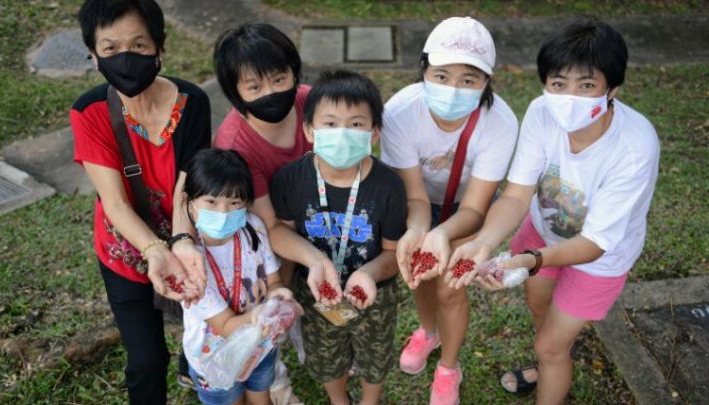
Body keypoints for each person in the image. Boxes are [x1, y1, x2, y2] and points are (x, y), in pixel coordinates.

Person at [448, 18, 660, 404]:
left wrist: (530, 259)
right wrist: (483, 243)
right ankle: (549, 358)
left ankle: (550, 359)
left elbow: (596, 243)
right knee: (538, 306)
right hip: (543, 230)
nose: (569, 97)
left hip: (599, 259)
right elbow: (516, 195)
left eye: (587, 85)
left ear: (612, 88)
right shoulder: (541, 112)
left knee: (550, 347)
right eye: (558, 84)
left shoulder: (634, 147)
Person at [70, 1, 210, 403]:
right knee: (147, 362)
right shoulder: (89, 111)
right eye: (110, 48)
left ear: (160, 48)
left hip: (187, 243)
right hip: (126, 252)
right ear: (94, 56)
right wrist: (154, 250)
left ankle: (192, 368)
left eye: (139, 44)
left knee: (200, 334)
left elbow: (189, 183)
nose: (125, 57)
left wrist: (181, 242)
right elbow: (114, 203)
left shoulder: (192, 102)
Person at [379, 17, 518, 404]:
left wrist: (442, 233)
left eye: (469, 79)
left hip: (466, 206)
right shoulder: (400, 112)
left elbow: (476, 207)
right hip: (420, 200)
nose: (453, 89)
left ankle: (448, 367)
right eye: (441, 75)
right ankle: (429, 332)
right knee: (423, 273)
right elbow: (416, 197)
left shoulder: (501, 122)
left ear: (487, 82)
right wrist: (422, 231)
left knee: (450, 286)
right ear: (423, 70)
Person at [270, 70, 407, 405]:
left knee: (376, 357)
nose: (342, 133)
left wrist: (368, 274)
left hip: (376, 295)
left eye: (356, 124)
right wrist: (289, 281)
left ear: (374, 133)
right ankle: (339, 399)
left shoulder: (389, 186)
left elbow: (391, 253)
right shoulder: (290, 179)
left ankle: (370, 400)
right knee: (325, 356)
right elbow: (280, 233)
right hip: (315, 292)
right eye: (330, 124)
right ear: (309, 130)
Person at [212, 23, 331, 404]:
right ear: (235, 93)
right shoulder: (235, 144)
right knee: (271, 304)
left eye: (280, 78)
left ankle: (318, 345)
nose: (271, 93)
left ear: (294, 73)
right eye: (254, 87)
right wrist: (313, 257)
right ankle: (273, 376)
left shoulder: (312, 103)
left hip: (318, 218)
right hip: (268, 238)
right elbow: (268, 228)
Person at [180, 148, 301, 405]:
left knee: (261, 396)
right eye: (211, 202)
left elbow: (274, 280)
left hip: (261, 347)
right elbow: (224, 326)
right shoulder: (189, 263)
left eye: (234, 202)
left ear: (245, 203)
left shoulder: (253, 228)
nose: (223, 212)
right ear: (190, 204)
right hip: (214, 358)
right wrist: (257, 316)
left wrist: (279, 293)